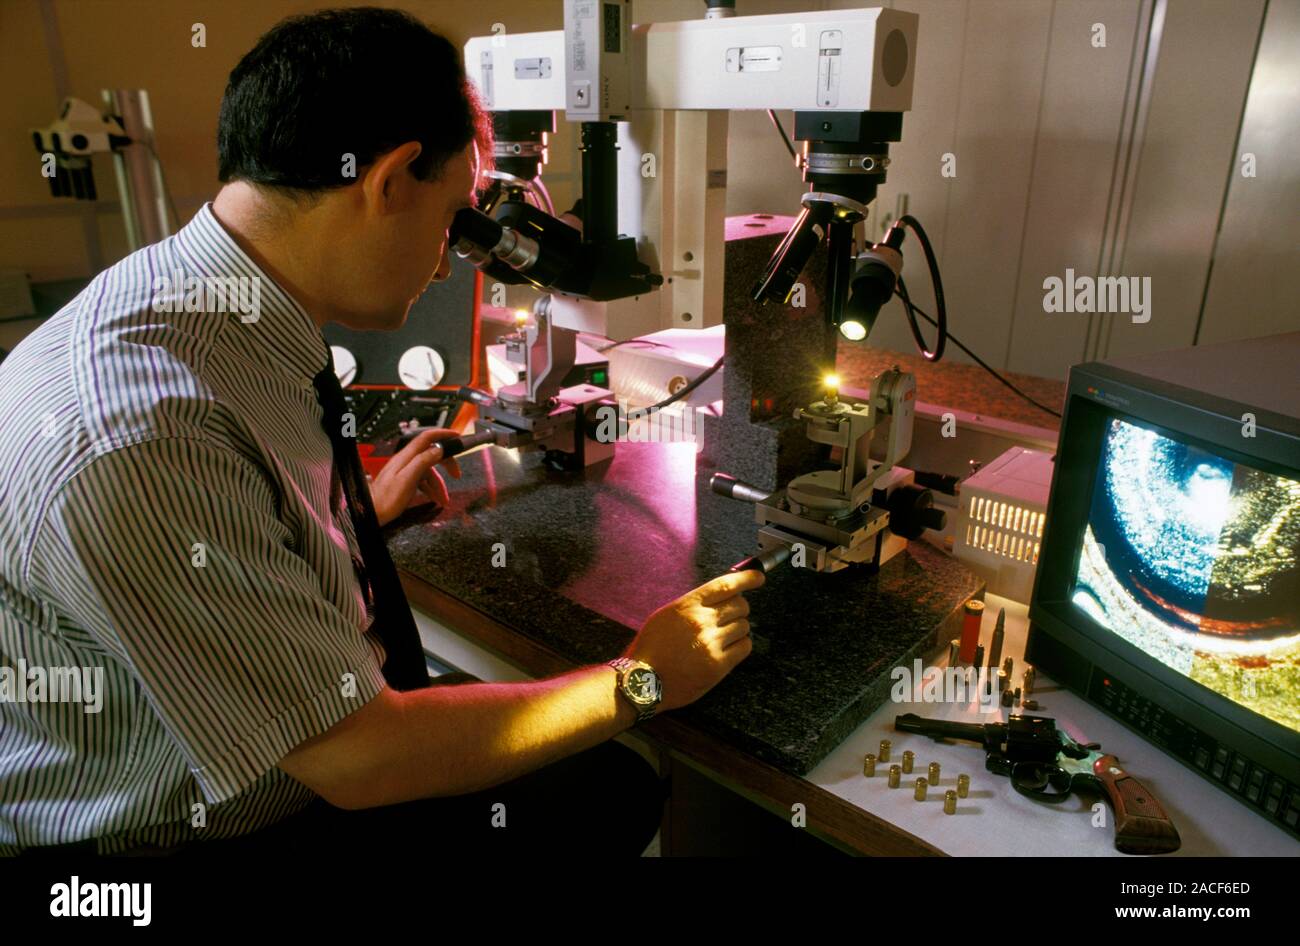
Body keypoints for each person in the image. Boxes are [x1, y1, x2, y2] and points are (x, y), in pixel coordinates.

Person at [0, 7, 761, 857]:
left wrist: (330, 529)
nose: (447, 262)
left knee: (599, 782)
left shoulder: (199, 302)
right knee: (609, 786)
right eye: (452, 217)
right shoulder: (145, 438)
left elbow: (229, 507)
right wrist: (642, 678)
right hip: (158, 854)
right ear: (391, 179)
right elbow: (361, 758)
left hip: (254, 767)